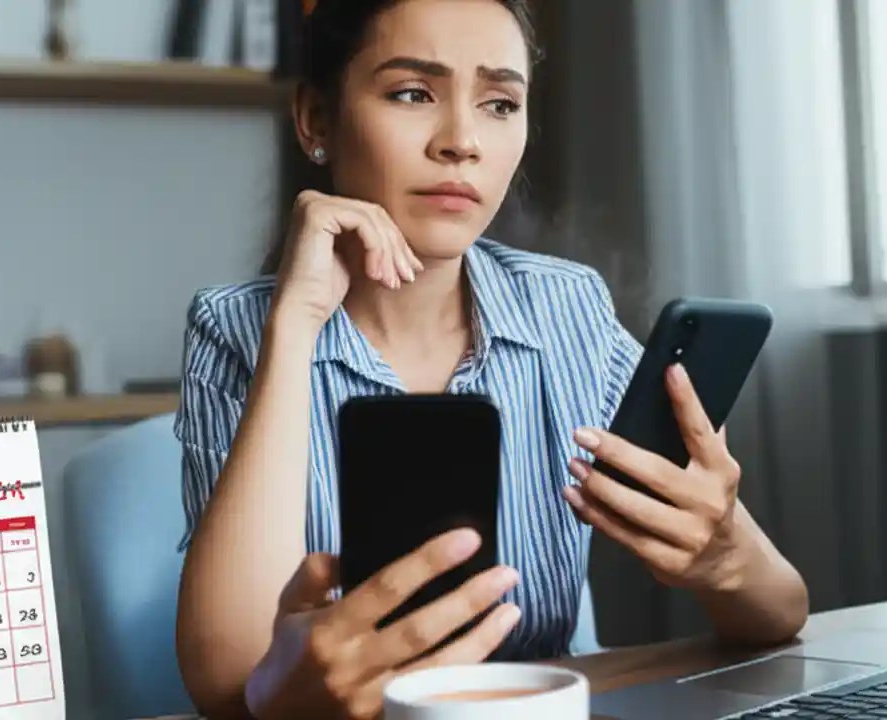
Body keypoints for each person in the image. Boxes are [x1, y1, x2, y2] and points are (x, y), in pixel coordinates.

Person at [173, 1, 809, 718]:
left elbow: (781, 609)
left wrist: (721, 555)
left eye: (500, 103)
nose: (462, 142)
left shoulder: (566, 310)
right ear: (317, 119)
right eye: (413, 93)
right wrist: (293, 324)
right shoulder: (236, 327)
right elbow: (229, 685)